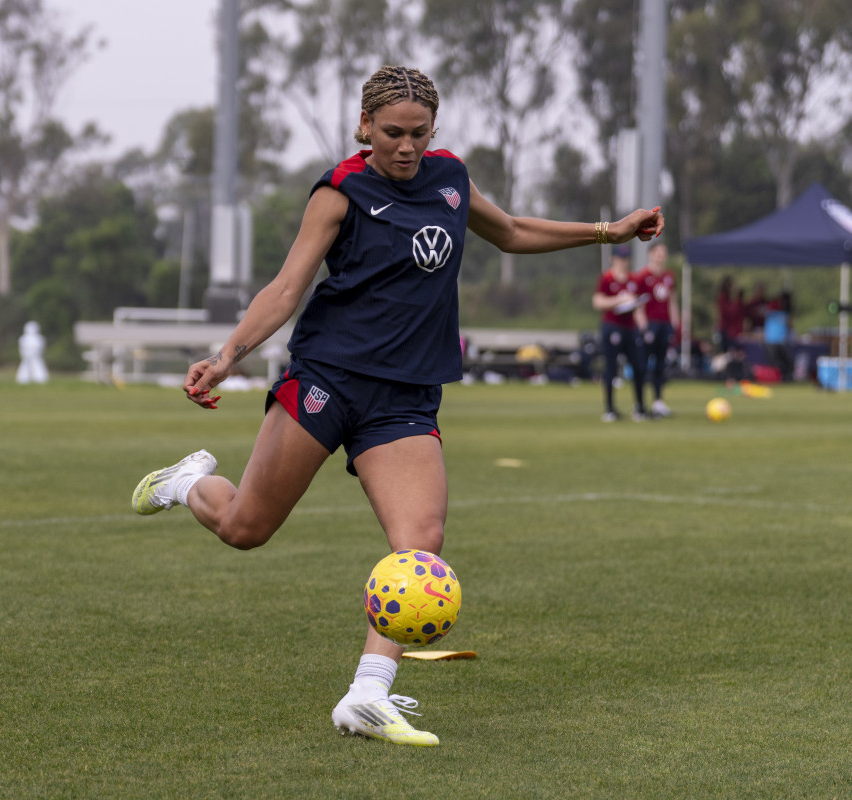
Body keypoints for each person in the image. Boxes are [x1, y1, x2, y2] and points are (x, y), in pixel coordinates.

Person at [130, 65, 664, 747]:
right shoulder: (340, 191)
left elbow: (509, 231)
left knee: (421, 546)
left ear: (432, 131)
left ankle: (365, 695)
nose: (406, 146)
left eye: (418, 133)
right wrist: (228, 354)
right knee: (245, 527)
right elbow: (287, 289)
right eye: (391, 133)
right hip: (328, 379)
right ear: (364, 128)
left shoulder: (449, 179)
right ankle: (184, 483)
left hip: (406, 397)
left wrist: (606, 233)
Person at [592, 243, 649, 422]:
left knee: (639, 367)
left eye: (625, 259)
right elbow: (598, 302)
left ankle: (640, 407)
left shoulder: (634, 279)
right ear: (613, 259)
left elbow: (638, 305)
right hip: (612, 326)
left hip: (630, 328)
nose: (623, 262)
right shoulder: (607, 278)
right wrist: (618, 300)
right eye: (620, 258)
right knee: (611, 368)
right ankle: (609, 409)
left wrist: (643, 323)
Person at [635, 242, 679, 417]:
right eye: (658, 252)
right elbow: (638, 304)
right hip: (650, 324)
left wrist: (675, 324)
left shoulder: (669, 276)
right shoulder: (643, 276)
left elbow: (672, 301)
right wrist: (643, 326)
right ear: (650, 254)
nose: (661, 255)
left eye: (664, 252)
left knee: (661, 364)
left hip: (664, 324)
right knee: (643, 364)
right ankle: (640, 403)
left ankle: (658, 402)